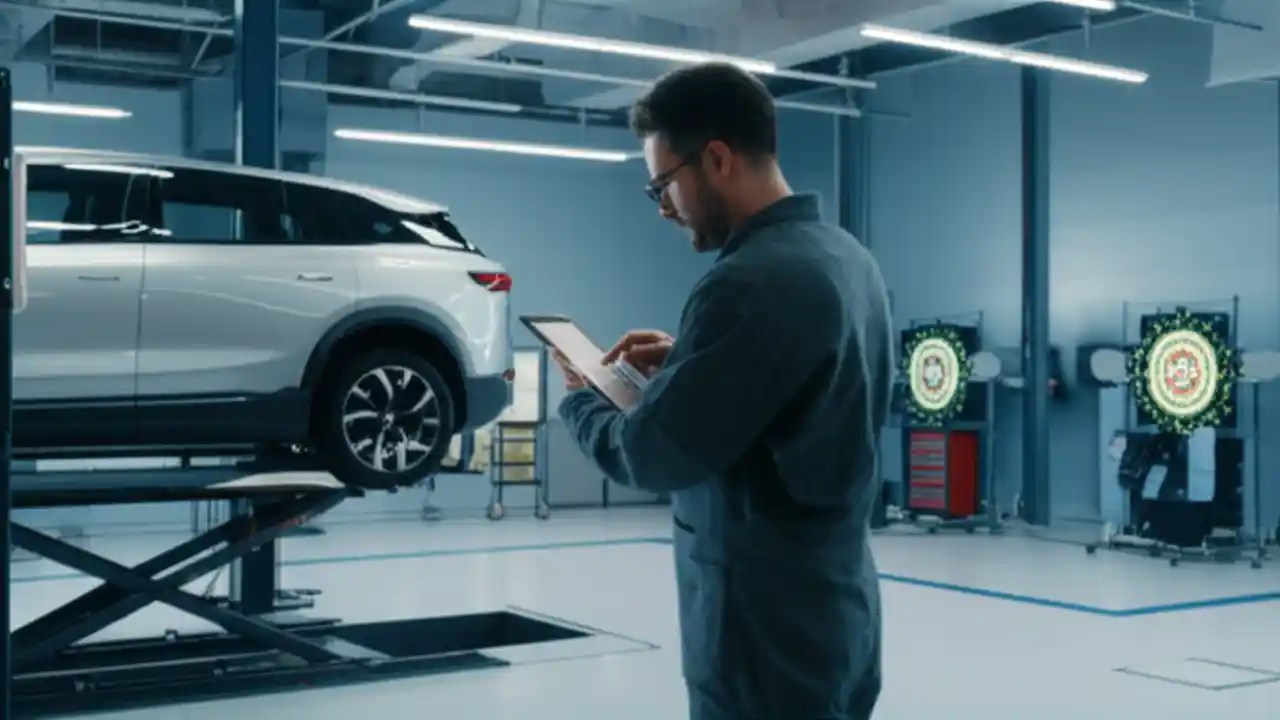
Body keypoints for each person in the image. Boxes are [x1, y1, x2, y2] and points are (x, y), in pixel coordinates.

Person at [552, 62, 894, 720]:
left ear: (715, 159)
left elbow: (653, 455)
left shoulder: (747, 282)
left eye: (663, 187)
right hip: (837, 614)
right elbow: (805, 389)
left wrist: (584, 398)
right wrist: (689, 362)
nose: (663, 211)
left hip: (760, 638)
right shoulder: (847, 258)